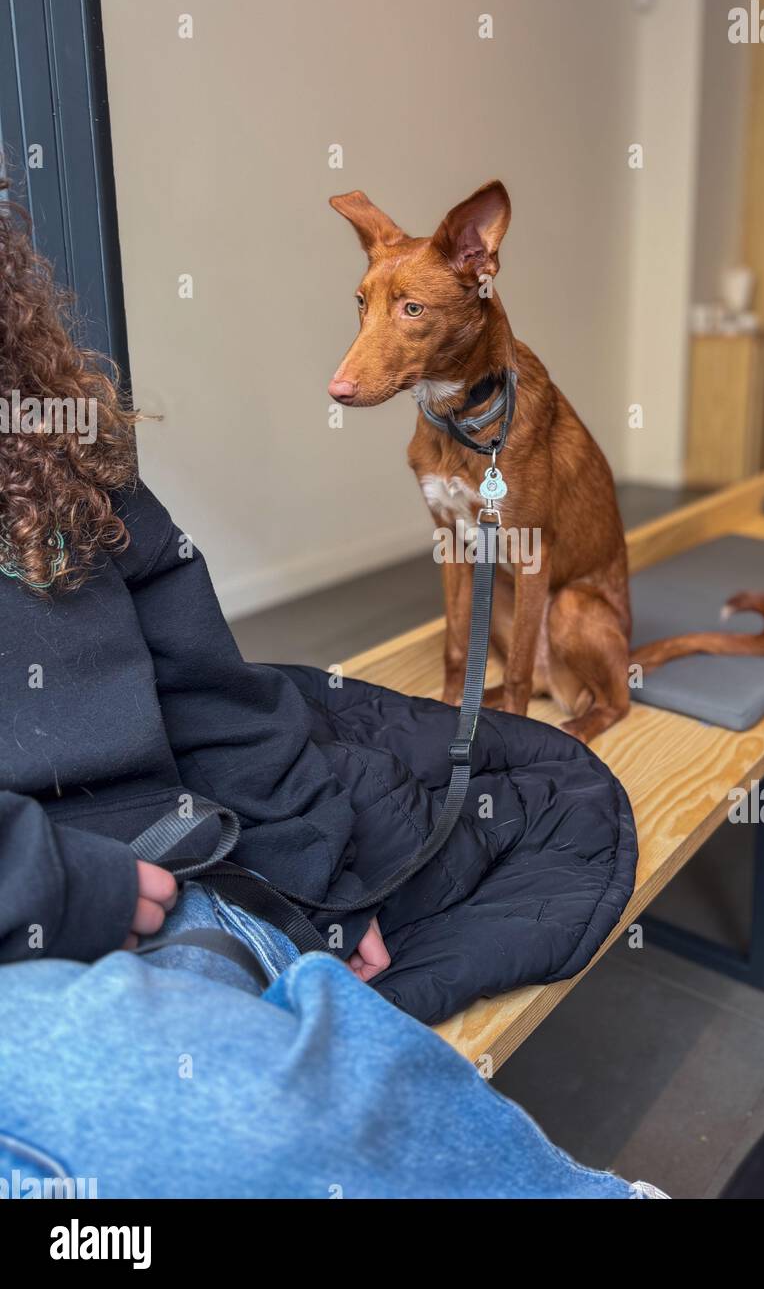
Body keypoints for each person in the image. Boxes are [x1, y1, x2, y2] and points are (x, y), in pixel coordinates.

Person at [0, 186, 653, 1198]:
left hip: (167, 876)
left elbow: (206, 683)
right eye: (368, 307)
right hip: (73, 913)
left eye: (404, 313)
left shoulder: (52, 447)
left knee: (225, 1108)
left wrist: (317, 871)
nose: (352, 360)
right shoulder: (430, 430)